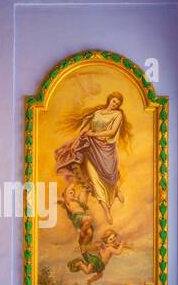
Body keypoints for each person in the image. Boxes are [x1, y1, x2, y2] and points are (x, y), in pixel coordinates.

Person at [54, 92, 130, 224]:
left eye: (118, 104)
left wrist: (94, 134)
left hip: (106, 149)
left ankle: (116, 189)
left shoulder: (118, 115)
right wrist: (85, 132)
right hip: (91, 148)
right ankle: (106, 210)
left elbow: (112, 132)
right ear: (109, 100)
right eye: (114, 101)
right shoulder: (98, 113)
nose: (115, 105)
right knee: (94, 179)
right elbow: (89, 126)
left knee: (109, 174)